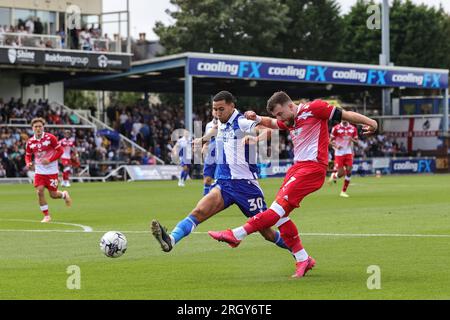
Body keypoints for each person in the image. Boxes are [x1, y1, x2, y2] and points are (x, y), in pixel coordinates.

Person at [208, 91, 377, 278]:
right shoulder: (289, 120)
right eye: (276, 115)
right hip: (297, 169)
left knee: (276, 211)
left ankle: (236, 234)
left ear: (290, 106)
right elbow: (273, 123)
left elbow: (345, 115)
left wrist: (371, 122)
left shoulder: (315, 108)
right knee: (281, 217)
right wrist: (257, 118)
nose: (279, 118)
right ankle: (303, 259)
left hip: (312, 169)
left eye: (280, 113)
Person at [151, 91, 290, 254]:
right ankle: (171, 240)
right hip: (224, 184)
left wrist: (256, 139)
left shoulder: (243, 122)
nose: (217, 113)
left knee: (267, 233)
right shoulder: (222, 122)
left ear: (232, 106)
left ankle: (298, 252)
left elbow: (270, 130)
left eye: (221, 109)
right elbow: (216, 129)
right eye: (215, 109)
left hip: (246, 186)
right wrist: (203, 139)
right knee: (198, 211)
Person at [25, 118, 72, 223]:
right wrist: (28, 163)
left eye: (40, 126)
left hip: (52, 171)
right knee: (39, 191)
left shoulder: (50, 138)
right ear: (32, 128)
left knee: (53, 195)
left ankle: (64, 194)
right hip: (39, 172)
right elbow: (28, 155)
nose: (38, 128)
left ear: (43, 127)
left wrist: (49, 160)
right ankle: (47, 216)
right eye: (35, 126)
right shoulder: (30, 142)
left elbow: (60, 151)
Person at [328, 120, 358, 197]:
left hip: (348, 152)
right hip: (339, 153)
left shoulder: (353, 128)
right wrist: (336, 146)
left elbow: (357, 141)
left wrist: (353, 140)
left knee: (349, 170)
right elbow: (329, 141)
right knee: (341, 174)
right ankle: (334, 176)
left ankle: (343, 191)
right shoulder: (336, 128)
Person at [200, 109, 218, 195]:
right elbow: (207, 138)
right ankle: (205, 198)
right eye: (215, 110)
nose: (216, 112)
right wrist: (204, 146)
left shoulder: (227, 123)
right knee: (207, 179)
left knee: (220, 179)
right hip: (211, 154)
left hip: (223, 154)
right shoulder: (209, 125)